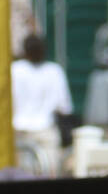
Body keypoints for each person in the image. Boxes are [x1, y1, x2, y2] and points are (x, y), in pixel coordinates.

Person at [12, 33, 73, 176]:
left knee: (22, 178)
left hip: (19, 132)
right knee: (49, 177)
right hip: (46, 132)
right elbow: (65, 107)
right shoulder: (55, 71)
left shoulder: (14, 70)